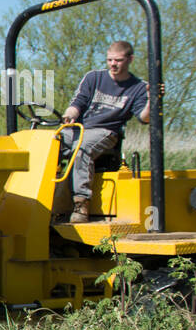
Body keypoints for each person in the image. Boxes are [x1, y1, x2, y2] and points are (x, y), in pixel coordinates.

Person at [58, 41, 150, 223]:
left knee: (81, 149)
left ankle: (81, 203)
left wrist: (153, 99)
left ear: (130, 59)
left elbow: (144, 118)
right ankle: (50, 196)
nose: (113, 64)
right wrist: (70, 114)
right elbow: (78, 102)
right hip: (80, 127)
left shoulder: (138, 87)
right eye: (109, 60)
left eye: (118, 60)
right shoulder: (94, 77)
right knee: (50, 143)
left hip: (107, 132)